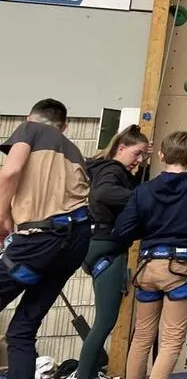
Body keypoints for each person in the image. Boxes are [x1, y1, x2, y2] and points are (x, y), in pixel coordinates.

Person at [113, 131, 187, 379]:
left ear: (161, 154)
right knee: (171, 342)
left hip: (148, 266)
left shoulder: (144, 191)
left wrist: (150, 229)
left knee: (141, 337)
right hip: (178, 268)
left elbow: (122, 230)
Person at [0, 99, 91, 379]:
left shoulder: (30, 129)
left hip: (42, 240)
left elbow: (11, 171)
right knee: (22, 331)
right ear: (65, 126)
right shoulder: (74, 151)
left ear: (30, 118)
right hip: (74, 243)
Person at [77, 125, 151, 379]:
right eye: (137, 153)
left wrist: (142, 171)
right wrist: (142, 197)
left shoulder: (110, 169)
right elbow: (105, 192)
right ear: (121, 148)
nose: (139, 160)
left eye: (144, 156)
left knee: (105, 321)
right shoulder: (112, 170)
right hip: (106, 247)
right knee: (105, 322)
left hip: (101, 246)